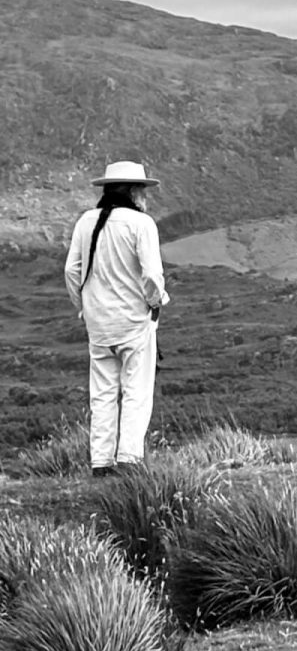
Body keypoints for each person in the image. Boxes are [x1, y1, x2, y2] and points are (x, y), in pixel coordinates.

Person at [63, 160, 170, 478]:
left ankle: (101, 462)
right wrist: (155, 303)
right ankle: (129, 459)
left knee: (103, 391)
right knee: (137, 389)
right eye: (142, 190)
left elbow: (71, 270)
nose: (145, 197)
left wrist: (83, 307)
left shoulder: (86, 221)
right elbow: (151, 274)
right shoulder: (141, 223)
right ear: (134, 191)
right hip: (134, 321)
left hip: (98, 323)